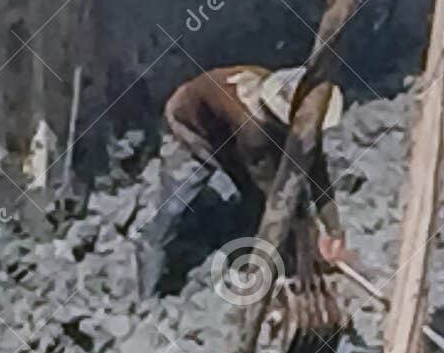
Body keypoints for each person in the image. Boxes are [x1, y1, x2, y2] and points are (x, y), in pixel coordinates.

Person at [139, 65, 347, 296]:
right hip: (190, 127)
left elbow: (317, 170)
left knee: (259, 195)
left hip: (228, 129)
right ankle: (147, 284)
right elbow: (276, 197)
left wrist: (334, 230)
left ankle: (255, 242)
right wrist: (304, 235)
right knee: (173, 208)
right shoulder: (253, 129)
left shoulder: (301, 110)